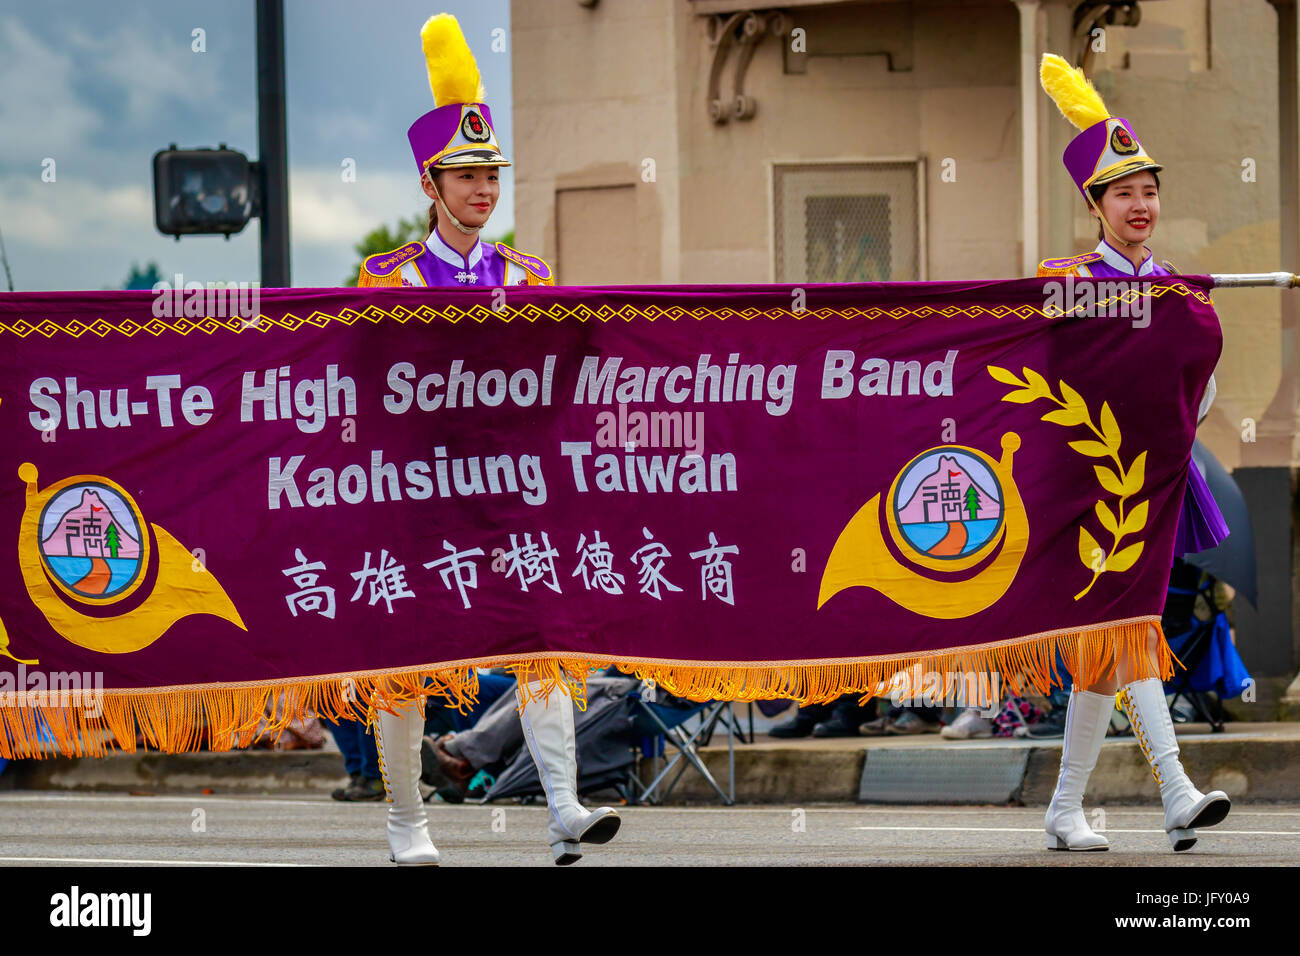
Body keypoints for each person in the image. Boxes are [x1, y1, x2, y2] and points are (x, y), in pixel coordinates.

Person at [355, 13, 619, 866]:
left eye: (491, 174)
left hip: (512, 492)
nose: (483, 189)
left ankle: (565, 810)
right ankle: (407, 824)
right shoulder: (384, 279)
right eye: (466, 175)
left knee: (543, 643)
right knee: (409, 662)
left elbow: (571, 374)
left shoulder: (532, 278)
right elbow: (365, 385)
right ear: (429, 184)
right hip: (421, 493)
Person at [1035, 53, 1231, 853]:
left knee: (1107, 654)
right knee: (1127, 629)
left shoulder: (1179, 295)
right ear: (1097, 205)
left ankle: (1063, 811)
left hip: (1152, 486)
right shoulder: (1064, 286)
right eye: (1125, 193)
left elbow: (1202, 394)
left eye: (1149, 190)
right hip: (1087, 489)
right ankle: (1178, 790)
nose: (1141, 204)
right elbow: (1042, 376)